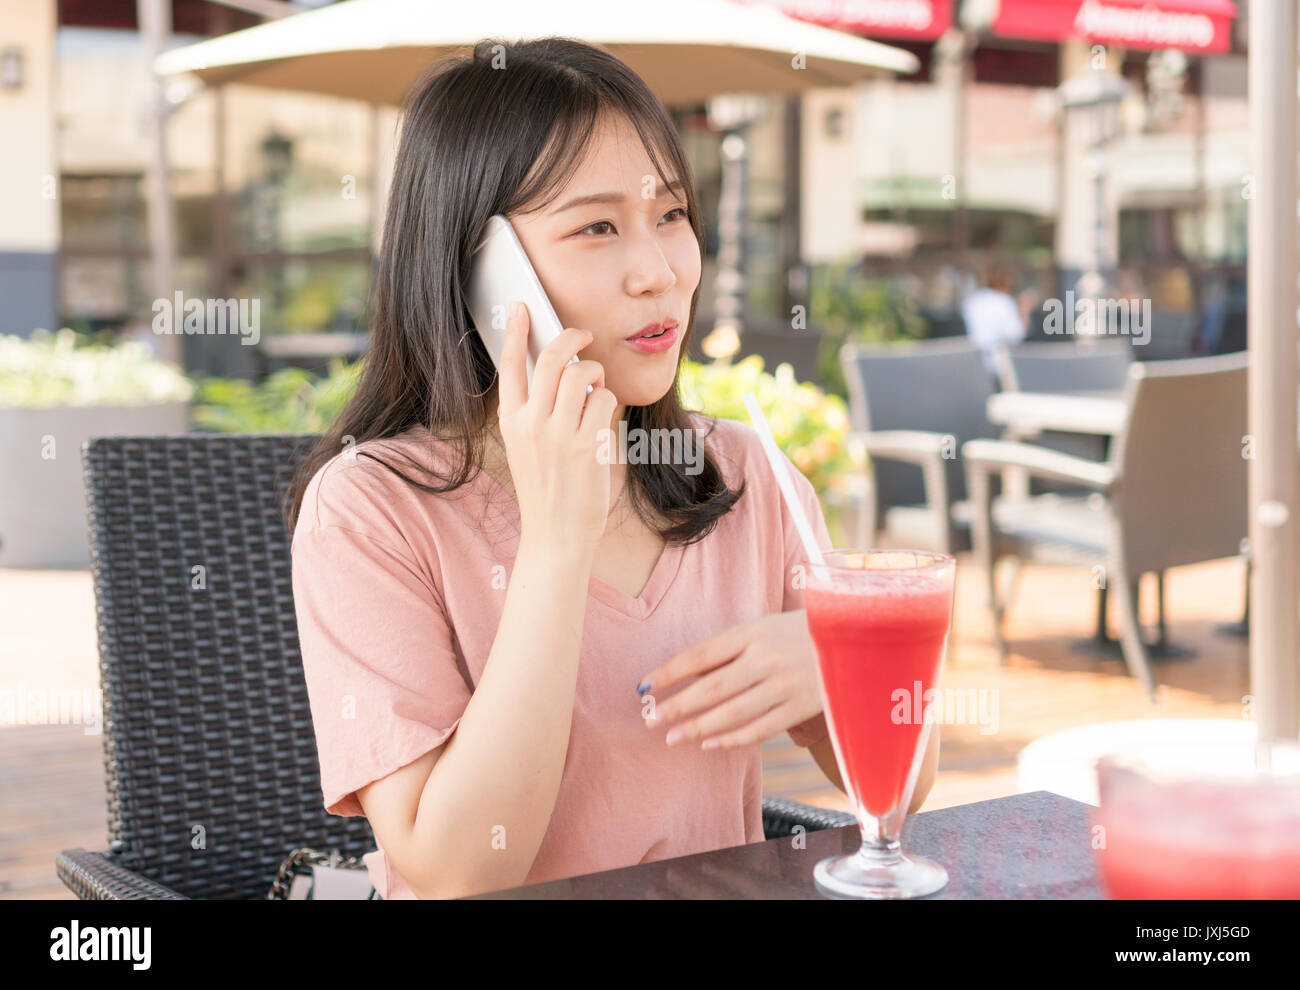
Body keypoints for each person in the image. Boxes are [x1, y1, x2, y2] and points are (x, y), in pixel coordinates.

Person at [283, 37, 940, 900]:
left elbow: (899, 790)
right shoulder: (370, 510)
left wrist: (839, 664)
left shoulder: (744, 474)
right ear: (484, 276)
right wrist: (558, 539)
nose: (660, 272)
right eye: (597, 227)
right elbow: (456, 871)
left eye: (671, 215)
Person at [961, 265, 1025, 376]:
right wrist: (1024, 309)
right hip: (999, 365)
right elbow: (1016, 334)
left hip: (973, 361)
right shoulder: (1005, 301)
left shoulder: (973, 300)